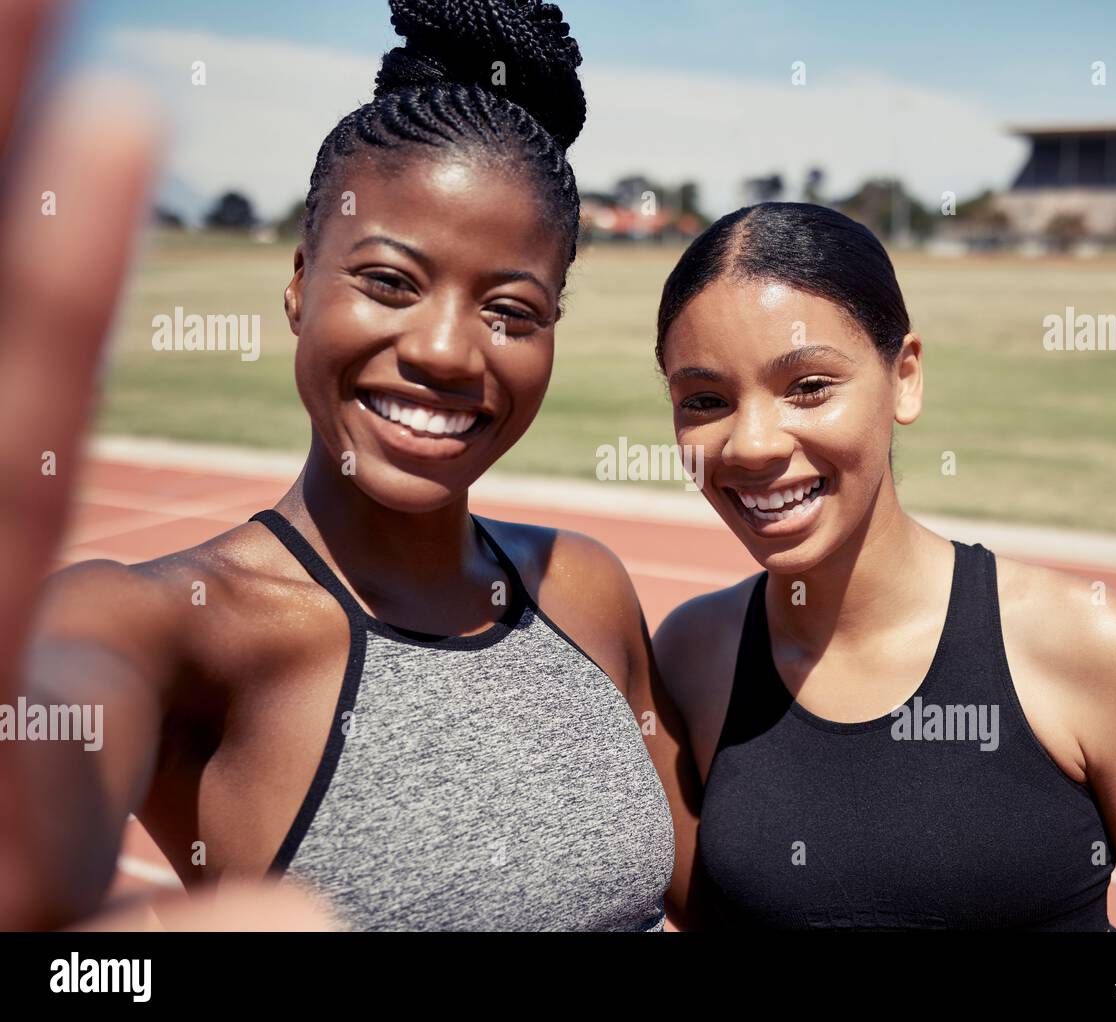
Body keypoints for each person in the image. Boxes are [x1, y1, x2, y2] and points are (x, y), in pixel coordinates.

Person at [0, 0, 701, 932]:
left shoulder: (586, 590)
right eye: (389, 283)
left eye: (511, 310)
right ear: (298, 284)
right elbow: (62, 721)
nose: (450, 351)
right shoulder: (165, 624)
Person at [651, 202, 1116, 930]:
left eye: (808, 386)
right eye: (705, 400)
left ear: (905, 377)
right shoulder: (691, 655)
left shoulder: (1088, 642)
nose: (754, 444)